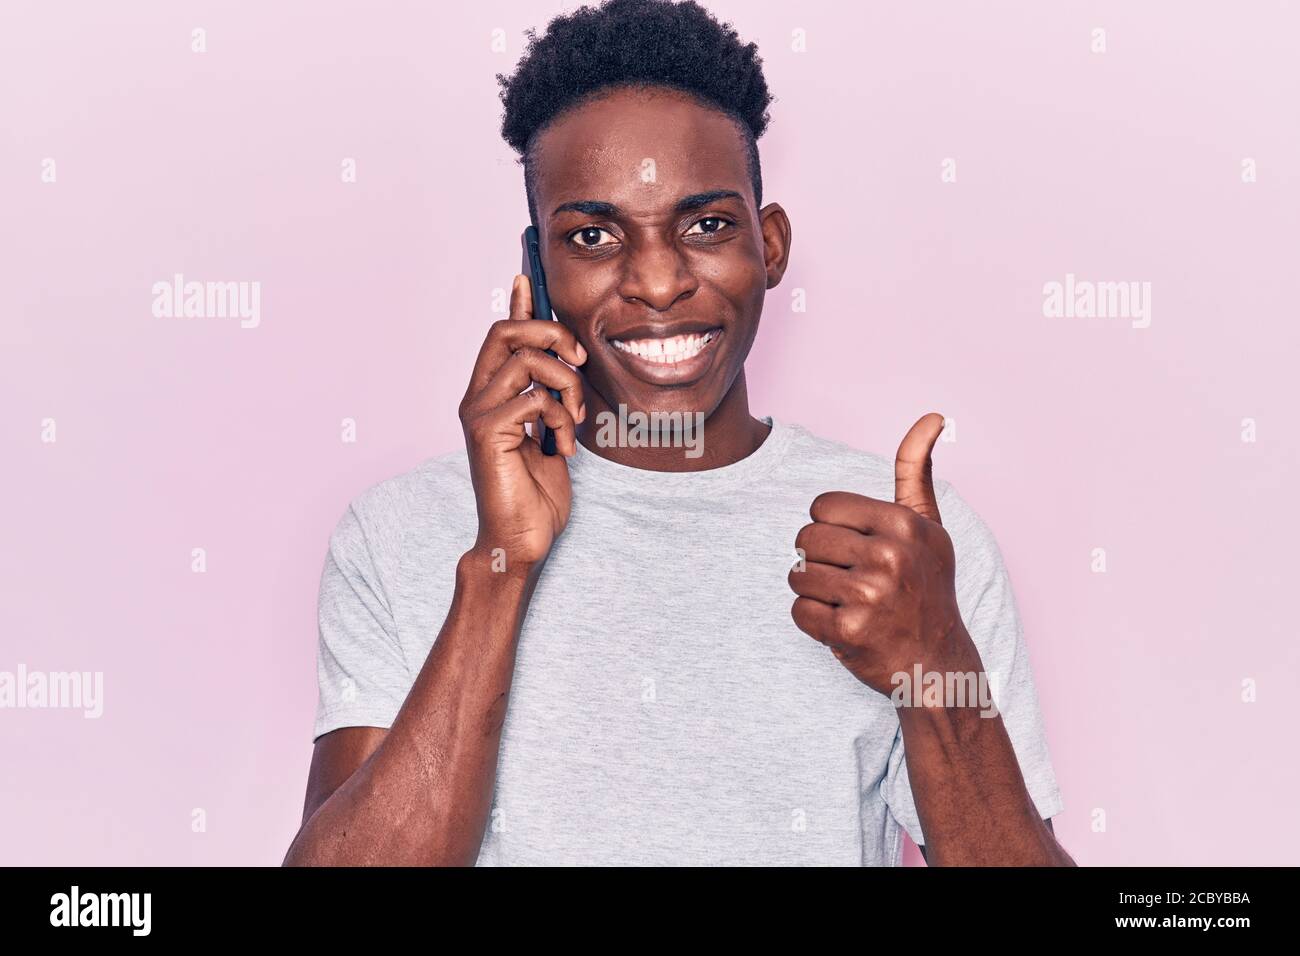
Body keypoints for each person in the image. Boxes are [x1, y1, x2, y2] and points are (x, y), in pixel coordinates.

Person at [283, 0, 1072, 866]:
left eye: (706, 226)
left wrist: (934, 668)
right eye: (593, 235)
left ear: (769, 246)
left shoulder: (906, 544)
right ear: (536, 268)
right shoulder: (397, 534)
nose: (658, 282)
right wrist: (499, 566)